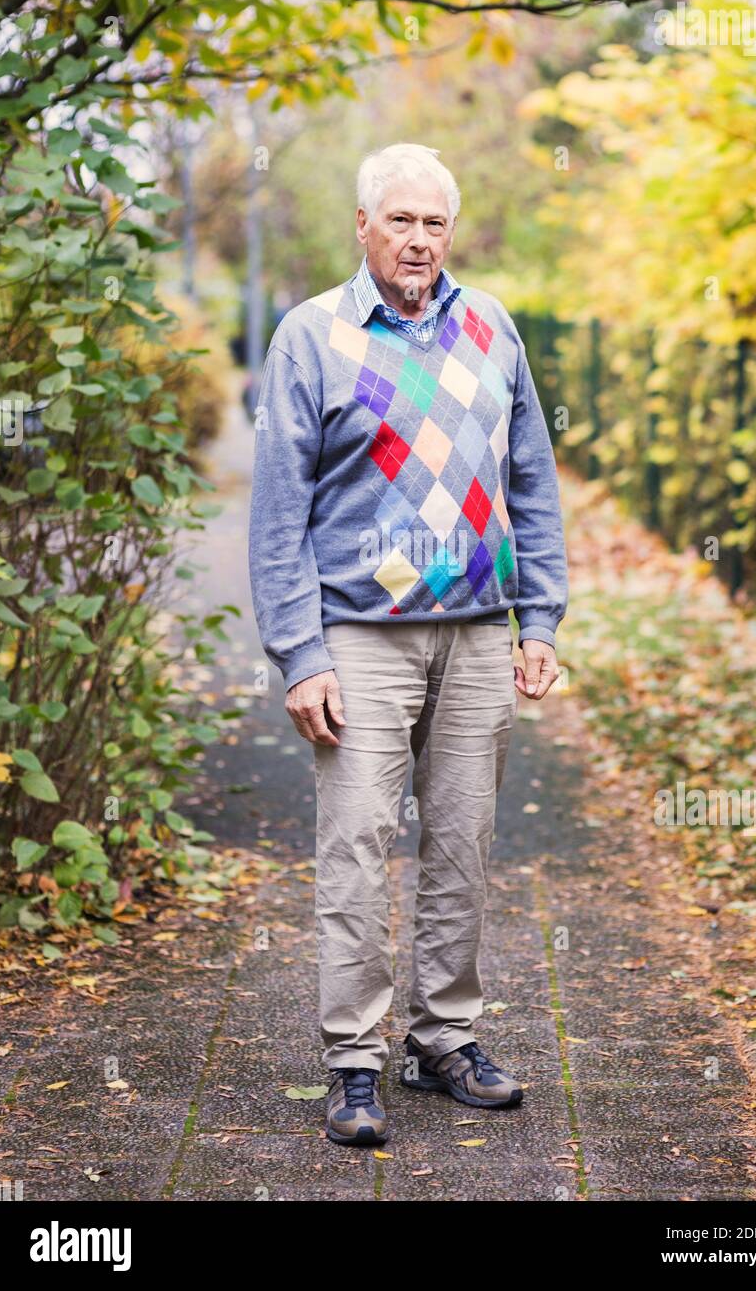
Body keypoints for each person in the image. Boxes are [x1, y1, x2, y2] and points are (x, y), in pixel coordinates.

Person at [248, 142, 568, 1146]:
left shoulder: (490, 326)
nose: (418, 238)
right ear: (362, 227)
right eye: (400, 220)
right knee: (353, 846)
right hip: (358, 641)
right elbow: (276, 513)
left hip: (475, 633)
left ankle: (443, 1040)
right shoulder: (311, 337)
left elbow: (532, 480)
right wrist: (300, 654)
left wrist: (540, 616)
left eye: (434, 221)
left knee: (463, 843)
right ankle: (352, 1061)